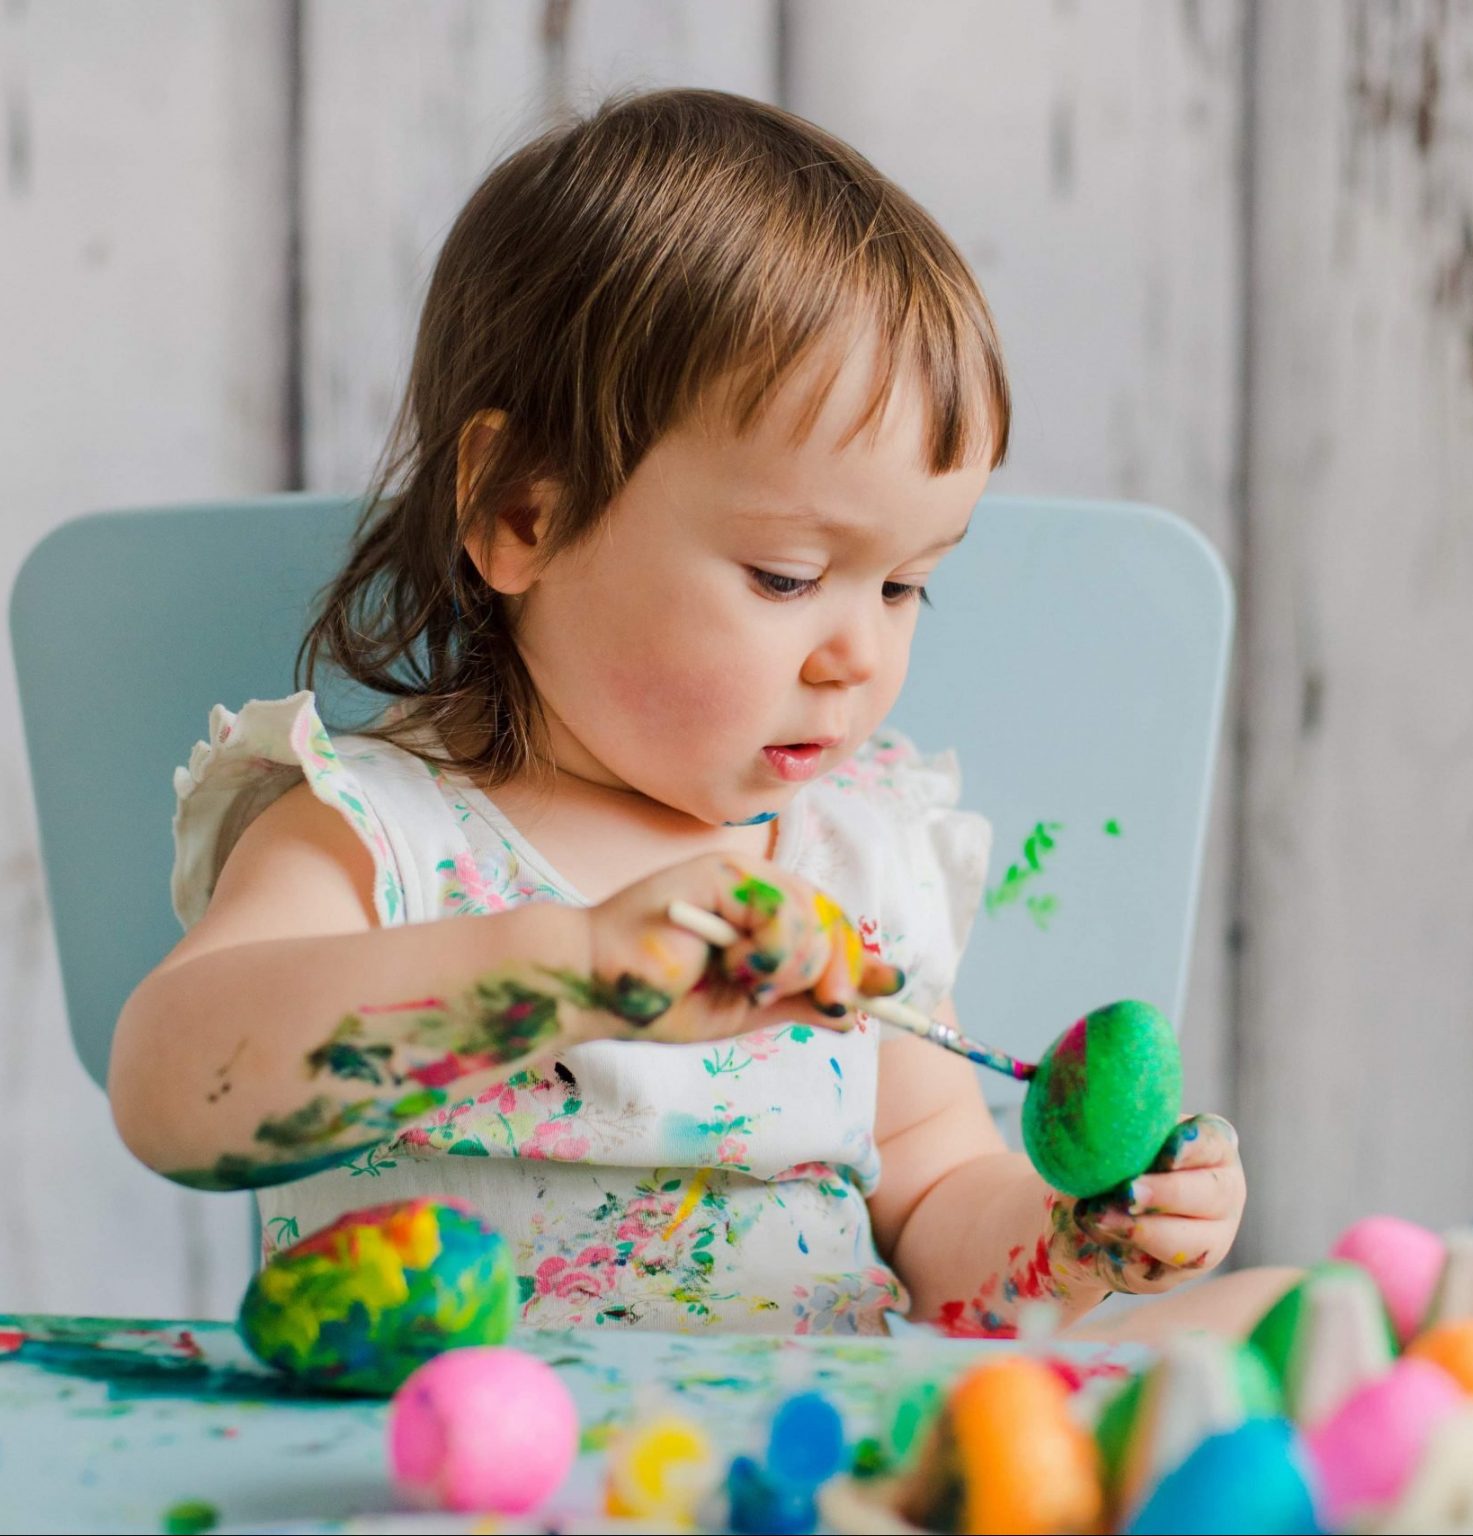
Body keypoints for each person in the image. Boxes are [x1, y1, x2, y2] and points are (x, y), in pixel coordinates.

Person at [111, 87, 1282, 1340]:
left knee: (1311, 1308)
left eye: (904, 587)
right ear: (525, 514)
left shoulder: (856, 861)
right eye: (787, 577)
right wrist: (570, 970)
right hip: (460, 1467)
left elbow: (939, 1204)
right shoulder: (378, 835)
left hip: (807, 1475)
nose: (859, 655)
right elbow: (178, 1089)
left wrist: (1072, 1244)